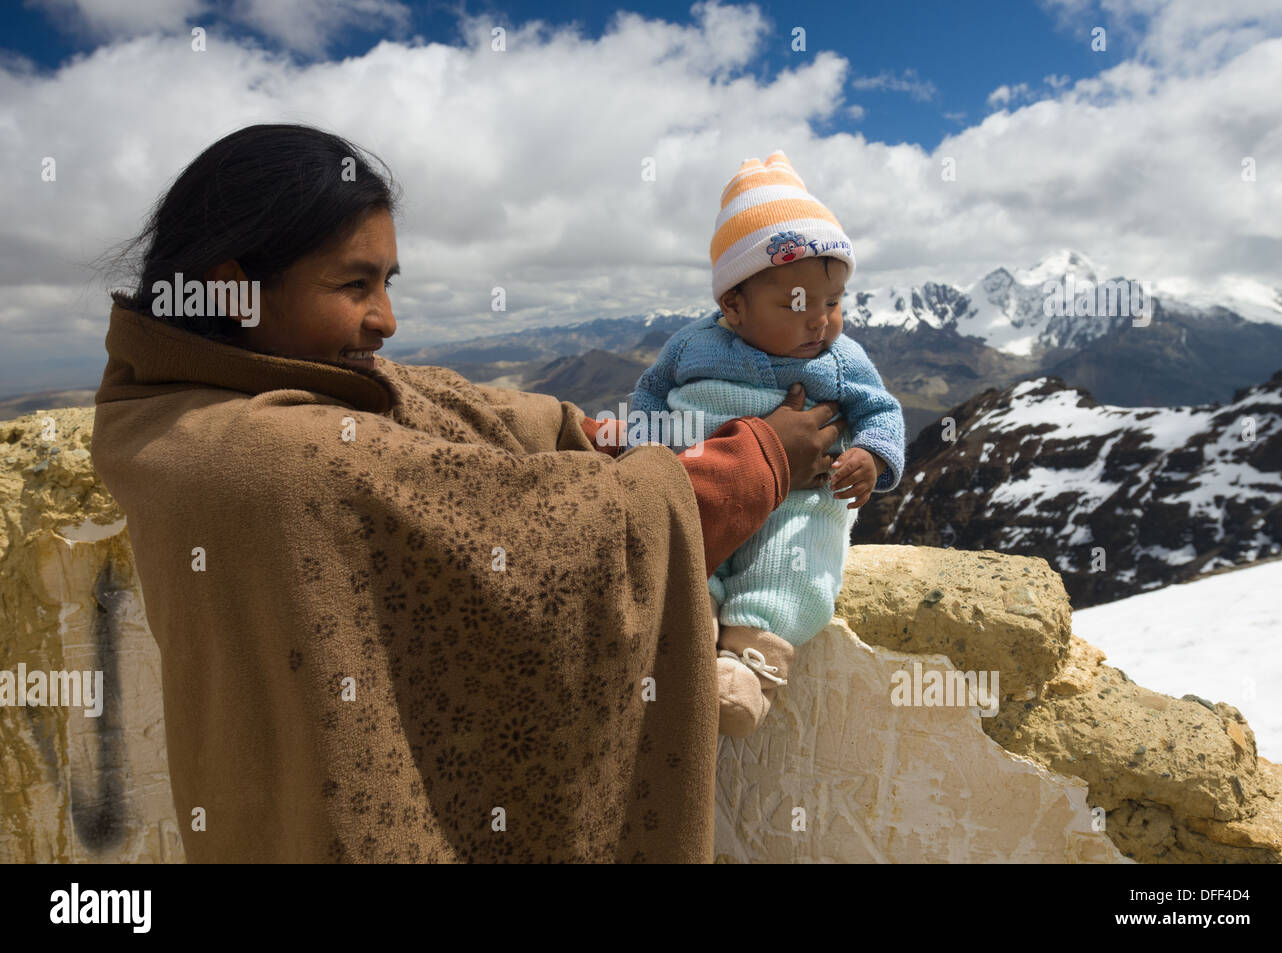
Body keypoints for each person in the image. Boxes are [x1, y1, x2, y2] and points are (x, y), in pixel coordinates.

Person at [90, 124, 847, 863]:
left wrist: (613, 435)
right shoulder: (275, 458)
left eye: (387, 283)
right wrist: (760, 459)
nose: (386, 319)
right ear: (235, 292)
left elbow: (465, 410)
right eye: (355, 284)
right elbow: (556, 547)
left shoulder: (174, 413)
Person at [628, 151, 906, 737]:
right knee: (682, 554)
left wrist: (872, 455)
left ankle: (750, 659)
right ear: (733, 304)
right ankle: (690, 633)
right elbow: (650, 394)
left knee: (800, 555)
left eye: (832, 304)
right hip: (699, 483)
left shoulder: (842, 358)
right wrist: (644, 448)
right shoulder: (690, 346)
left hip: (798, 500)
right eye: (796, 305)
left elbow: (881, 409)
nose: (820, 322)